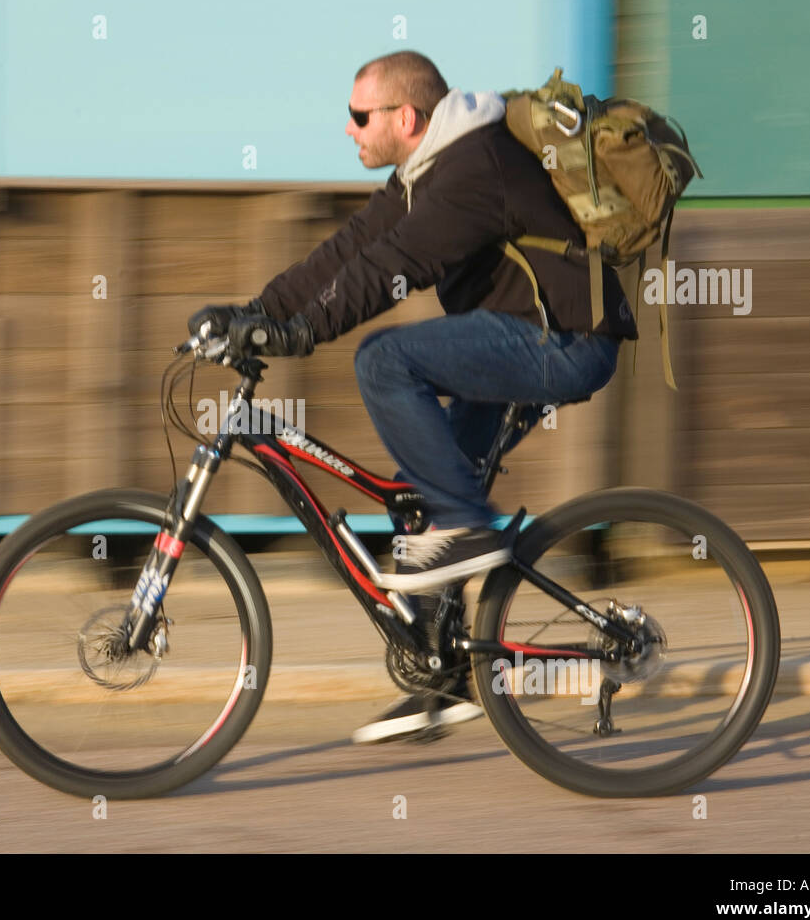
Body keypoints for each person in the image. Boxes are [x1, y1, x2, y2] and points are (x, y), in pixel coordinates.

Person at [187, 51, 638, 744]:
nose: (349, 129)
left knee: (385, 359)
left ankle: (468, 523)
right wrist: (251, 312)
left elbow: (392, 267)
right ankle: (445, 677)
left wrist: (300, 332)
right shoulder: (427, 170)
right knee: (416, 496)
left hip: (564, 344)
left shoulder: (471, 170)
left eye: (359, 115)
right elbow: (347, 251)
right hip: (515, 338)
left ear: (407, 116)